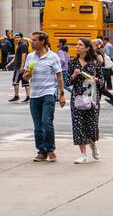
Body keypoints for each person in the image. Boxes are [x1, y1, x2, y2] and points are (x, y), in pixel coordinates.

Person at [23, 31, 67, 161]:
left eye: (35, 40)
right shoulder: (30, 57)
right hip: (34, 94)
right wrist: (27, 75)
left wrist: (62, 94)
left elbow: (59, 76)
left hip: (48, 93)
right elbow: (26, 75)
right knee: (37, 126)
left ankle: (51, 150)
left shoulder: (53, 57)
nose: (32, 42)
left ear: (42, 42)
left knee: (46, 122)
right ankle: (41, 151)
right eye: (32, 40)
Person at [69, 37, 104, 162]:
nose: (77, 47)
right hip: (77, 98)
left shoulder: (95, 62)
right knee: (78, 125)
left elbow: (102, 81)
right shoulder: (72, 63)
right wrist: (74, 75)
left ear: (87, 48)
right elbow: (68, 81)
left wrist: (96, 80)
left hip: (92, 98)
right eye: (77, 44)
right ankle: (83, 155)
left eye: (80, 45)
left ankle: (93, 146)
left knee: (92, 125)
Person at [9, 32, 31, 103]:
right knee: (25, 82)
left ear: (21, 38)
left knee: (15, 82)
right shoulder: (19, 45)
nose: (16, 38)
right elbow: (16, 56)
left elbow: (23, 55)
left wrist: (22, 66)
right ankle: (28, 96)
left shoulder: (23, 45)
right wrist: (9, 64)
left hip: (19, 67)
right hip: (21, 67)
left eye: (18, 37)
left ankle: (16, 96)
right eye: (15, 37)